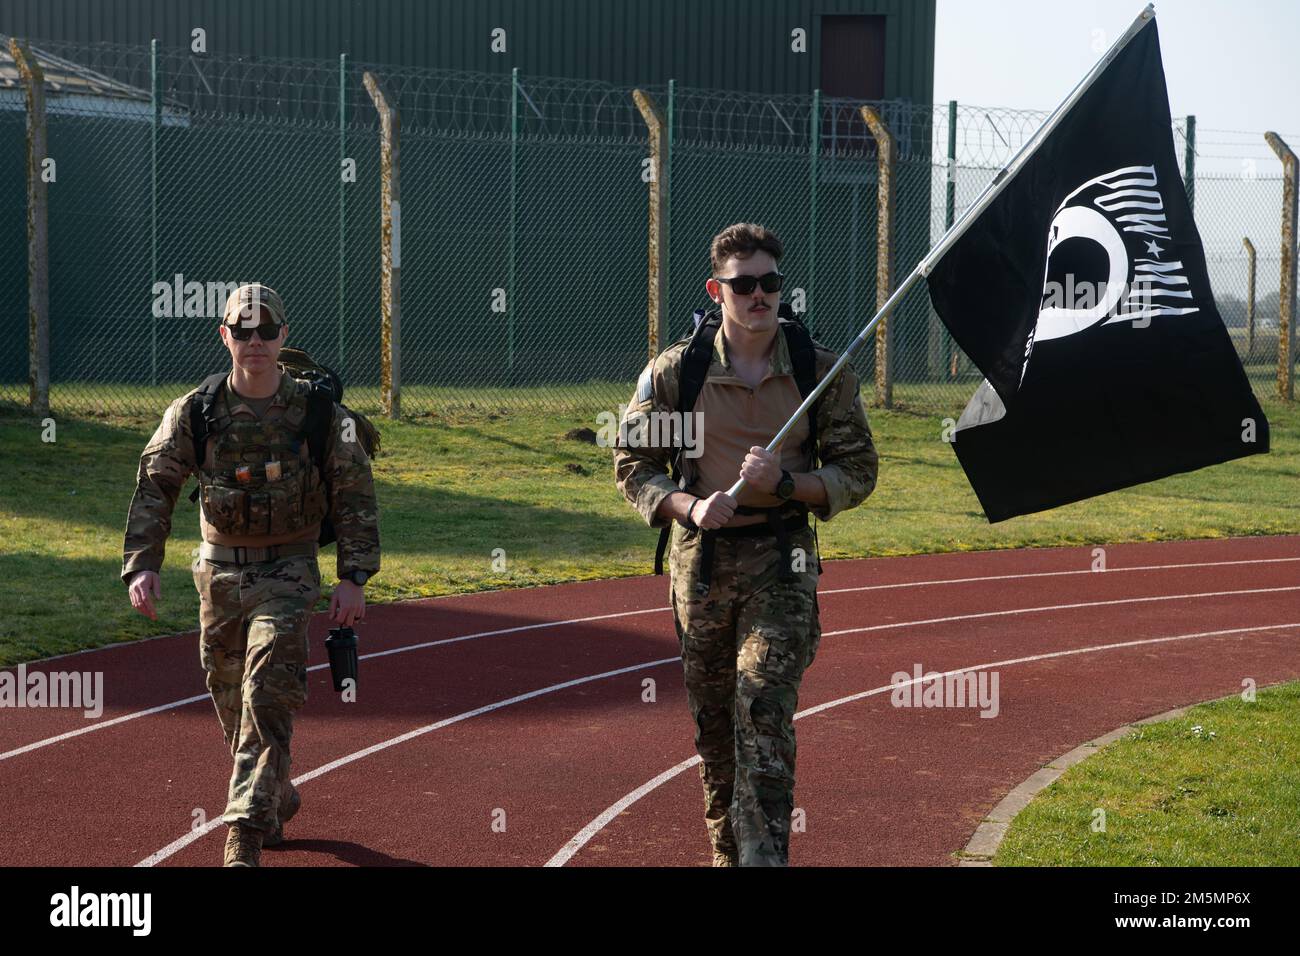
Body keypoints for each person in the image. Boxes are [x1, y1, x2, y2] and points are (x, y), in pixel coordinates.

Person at [614, 223, 879, 866]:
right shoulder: (682, 372)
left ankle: (766, 861)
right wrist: (689, 505)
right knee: (715, 735)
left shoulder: (817, 370)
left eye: (770, 283)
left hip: (781, 558)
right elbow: (632, 464)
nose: (760, 295)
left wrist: (789, 482)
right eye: (745, 284)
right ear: (718, 289)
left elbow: (858, 469)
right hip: (702, 565)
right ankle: (729, 857)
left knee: (761, 703)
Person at [122, 283, 380, 867]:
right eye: (243, 330)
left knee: (268, 693)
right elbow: (156, 486)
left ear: (284, 335)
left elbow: (356, 493)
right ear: (225, 336)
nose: (255, 341)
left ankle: (242, 831)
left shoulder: (318, 414)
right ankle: (274, 795)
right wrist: (142, 564)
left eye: (267, 330)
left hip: (289, 571)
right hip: (217, 576)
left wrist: (353, 576)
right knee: (231, 699)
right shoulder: (196, 411)